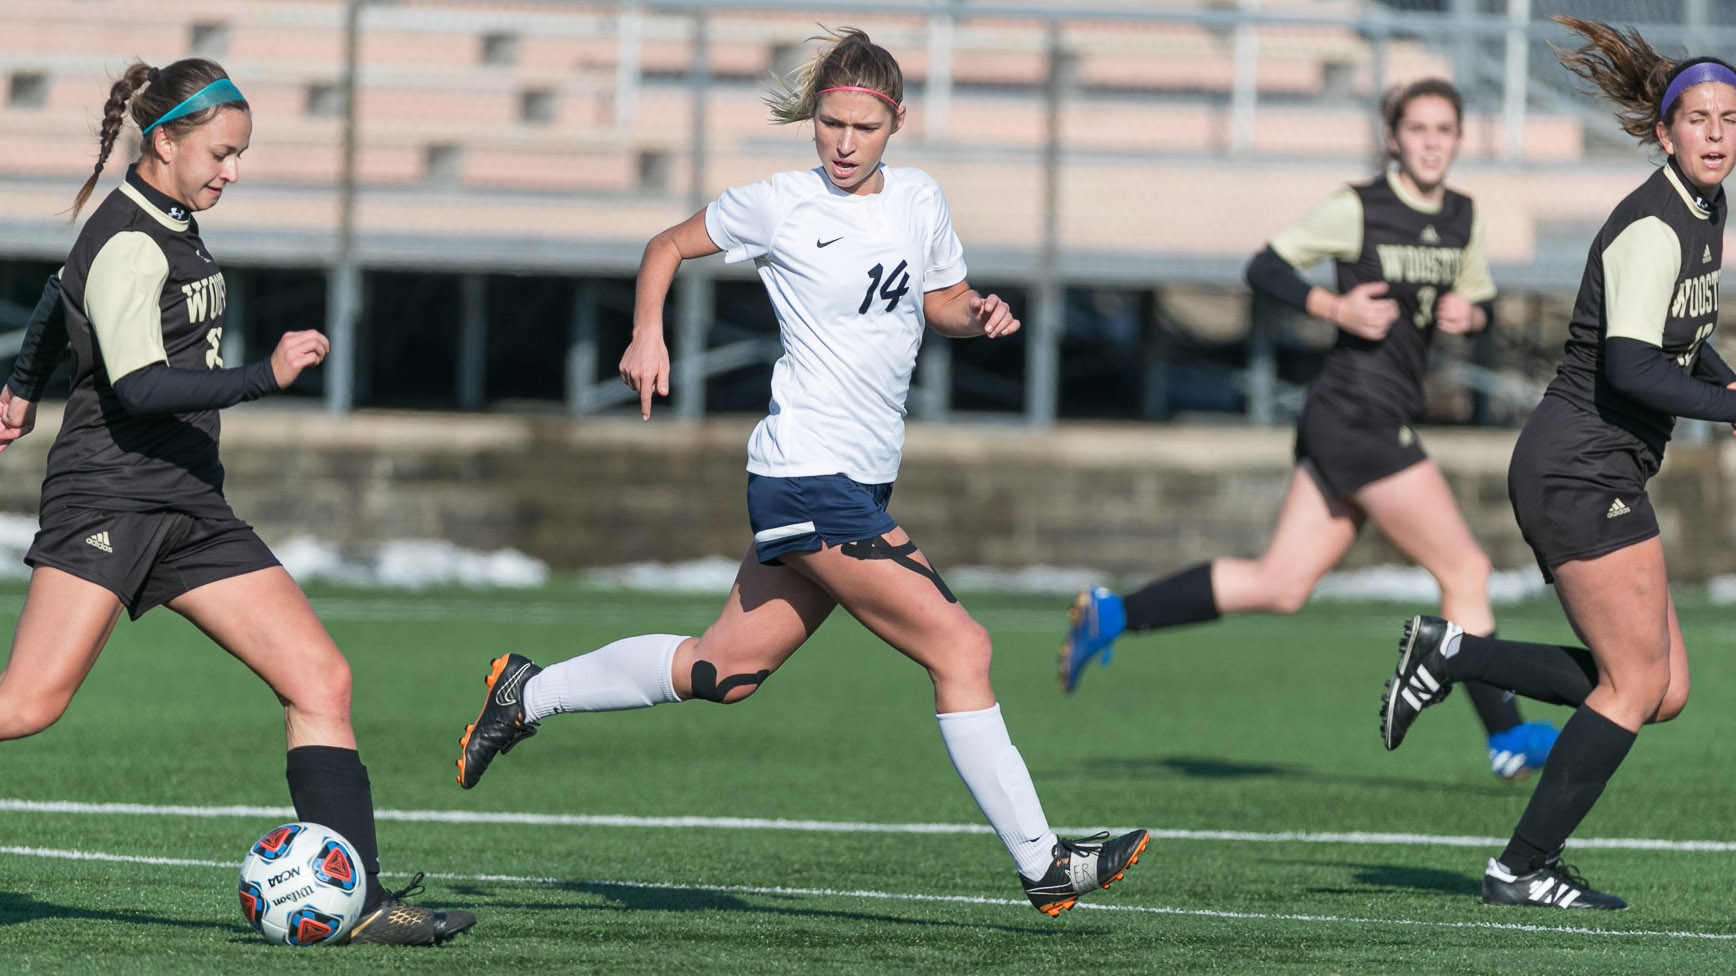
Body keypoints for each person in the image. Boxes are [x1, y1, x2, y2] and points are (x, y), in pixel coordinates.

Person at [455, 28, 1148, 916]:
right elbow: (666, 245)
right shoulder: (779, 204)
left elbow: (938, 300)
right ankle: (1043, 862)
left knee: (723, 672)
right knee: (962, 647)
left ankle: (527, 690)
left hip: (856, 483)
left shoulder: (920, 200)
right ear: (814, 118)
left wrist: (978, 314)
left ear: (896, 122)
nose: (844, 143)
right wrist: (646, 332)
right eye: (829, 123)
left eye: (862, 126)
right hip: (804, 479)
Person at [0, 58, 474, 945]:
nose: (231, 170)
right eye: (219, 152)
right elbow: (139, 386)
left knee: (320, 679)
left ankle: (359, 902)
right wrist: (265, 376)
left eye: (240, 154)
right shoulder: (131, 236)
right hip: (112, 499)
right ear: (165, 140)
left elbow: (55, 291)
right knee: (24, 708)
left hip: (189, 504)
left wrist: (23, 383)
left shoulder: (165, 218)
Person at [1058, 78, 1556, 780]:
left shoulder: (1461, 217)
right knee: (1466, 569)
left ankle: (1113, 614)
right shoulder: (1360, 207)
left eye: (1445, 130)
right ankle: (1505, 735)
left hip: (1358, 418)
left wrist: (1468, 317)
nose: (1432, 143)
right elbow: (1264, 266)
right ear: (1394, 138)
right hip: (1357, 415)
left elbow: (1483, 303)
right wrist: (1333, 305)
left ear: (1459, 139)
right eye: (1418, 130)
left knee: (1281, 584)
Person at [1381, 17, 1736, 910]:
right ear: (1664, 131)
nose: (1718, 134)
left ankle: (1455, 653)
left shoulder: (1708, 209)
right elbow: (1633, 366)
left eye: (1731, 119)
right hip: (1576, 469)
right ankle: (1521, 866)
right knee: (1636, 682)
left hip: (1605, 468)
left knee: (1664, 691)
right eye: (1699, 119)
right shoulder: (1651, 225)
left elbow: (1684, 346)